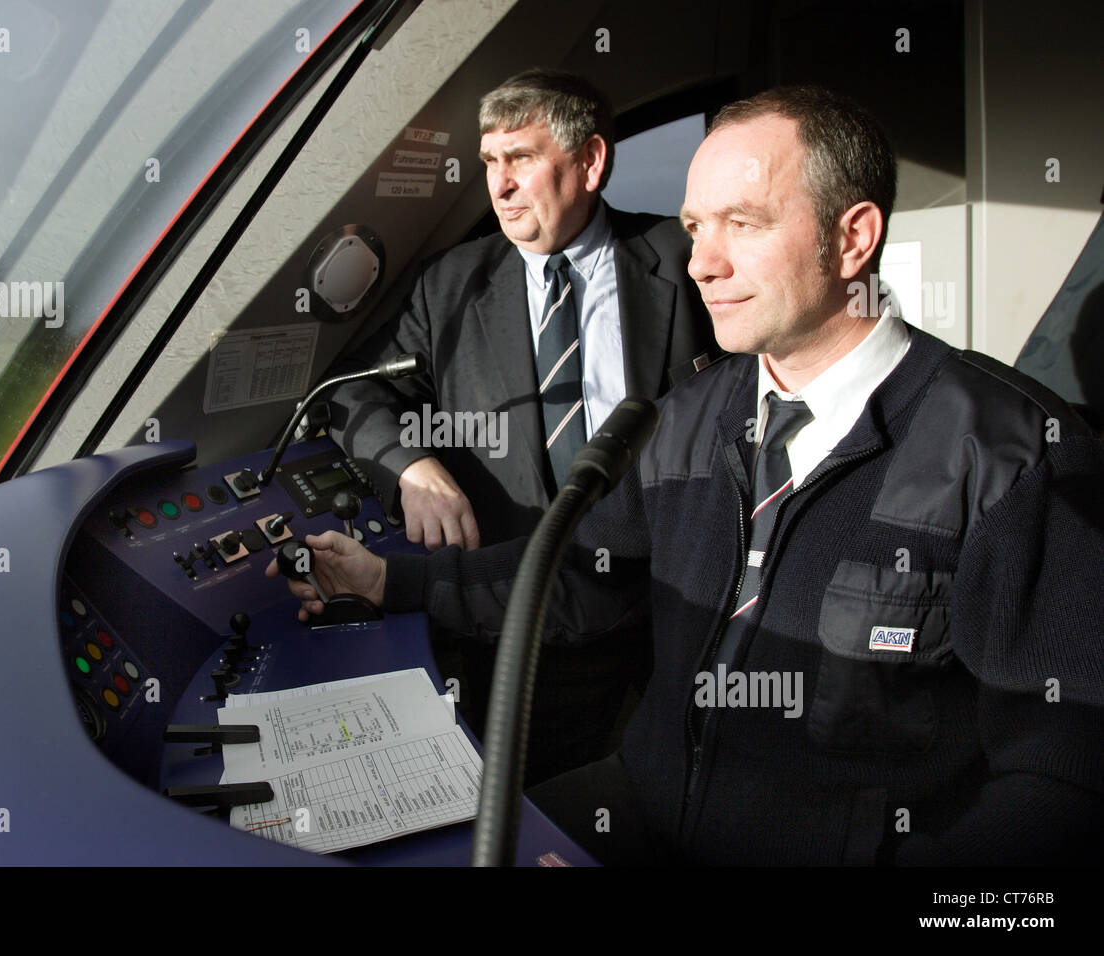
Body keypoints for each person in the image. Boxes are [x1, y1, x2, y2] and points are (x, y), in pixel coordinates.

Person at [274, 85, 1104, 865]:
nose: (701, 264)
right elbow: (575, 574)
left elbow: (1062, 774)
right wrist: (396, 581)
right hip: (648, 806)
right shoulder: (686, 420)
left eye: (741, 224)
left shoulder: (1017, 458)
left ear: (852, 237)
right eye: (695, 227)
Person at [324, 69, 716, 783]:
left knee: (688, 794)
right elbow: (350, 395)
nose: (498, 187)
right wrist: (411, 466)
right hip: (527, 620)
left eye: (522, 159)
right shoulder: (451, 284)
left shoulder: (686, 263)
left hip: (679, 607)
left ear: (591, 162)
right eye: (489, 163)